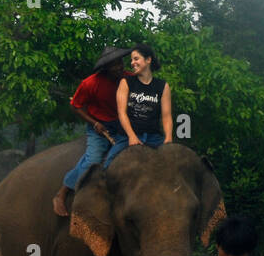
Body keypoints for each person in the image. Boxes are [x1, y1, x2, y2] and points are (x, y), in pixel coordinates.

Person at [52, 46, 130, 216]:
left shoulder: (129, 78)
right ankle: (63, 193)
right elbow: (75, 106)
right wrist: (94, 123)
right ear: (106, 67)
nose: (120, 67)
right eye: (115, 65)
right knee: (92, 160)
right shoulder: (90, 83)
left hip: (122, 126)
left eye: (121, 62)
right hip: (99, 126)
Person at [104, 43, 173, 169]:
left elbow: (166, 116)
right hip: (127, 137)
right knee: (108, 165)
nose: (132, 63)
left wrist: (168, 138)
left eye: (136, 59)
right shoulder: (126, 82)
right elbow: (122, 113)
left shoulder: (162, 86)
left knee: (173, 166)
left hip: (154, 137)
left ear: (148, 60)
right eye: (131, 60)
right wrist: (132, 136)